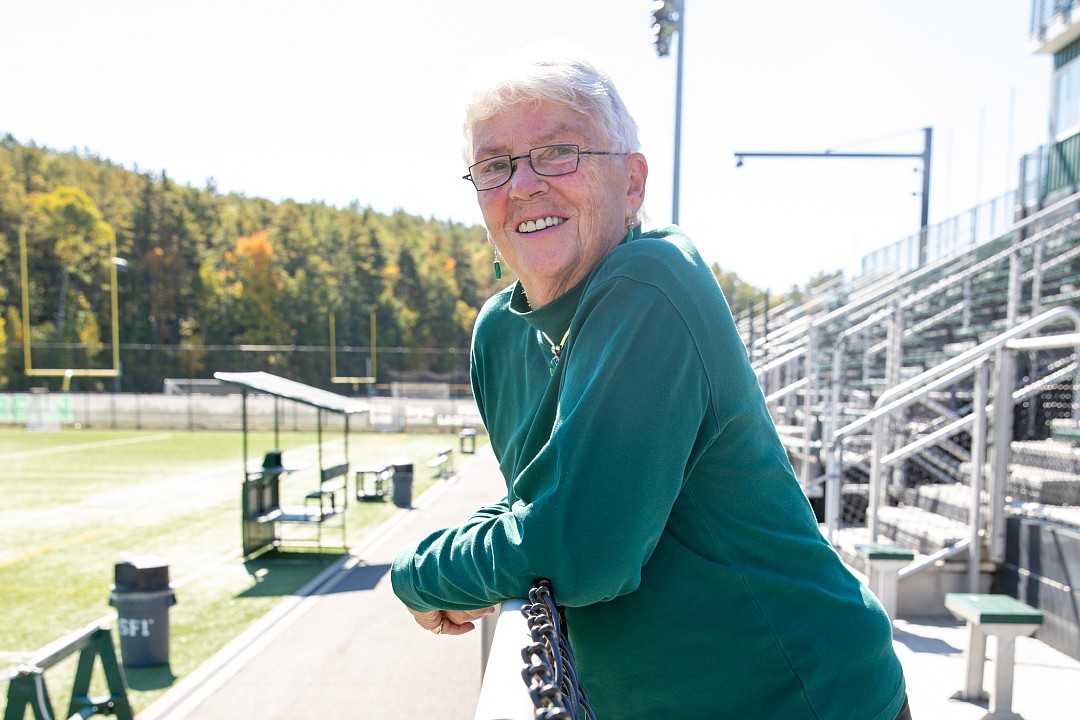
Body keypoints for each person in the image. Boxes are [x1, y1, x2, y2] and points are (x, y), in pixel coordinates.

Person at [391, 52, 910, 719]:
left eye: (557, 153)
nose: (522, 186)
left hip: (799, 696)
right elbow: (538, 506)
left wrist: (417, 573)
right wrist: (454, 560)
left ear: (631, 182)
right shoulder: (501, 335)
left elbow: (579, 549)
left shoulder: (651, 282)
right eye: (494, 165)